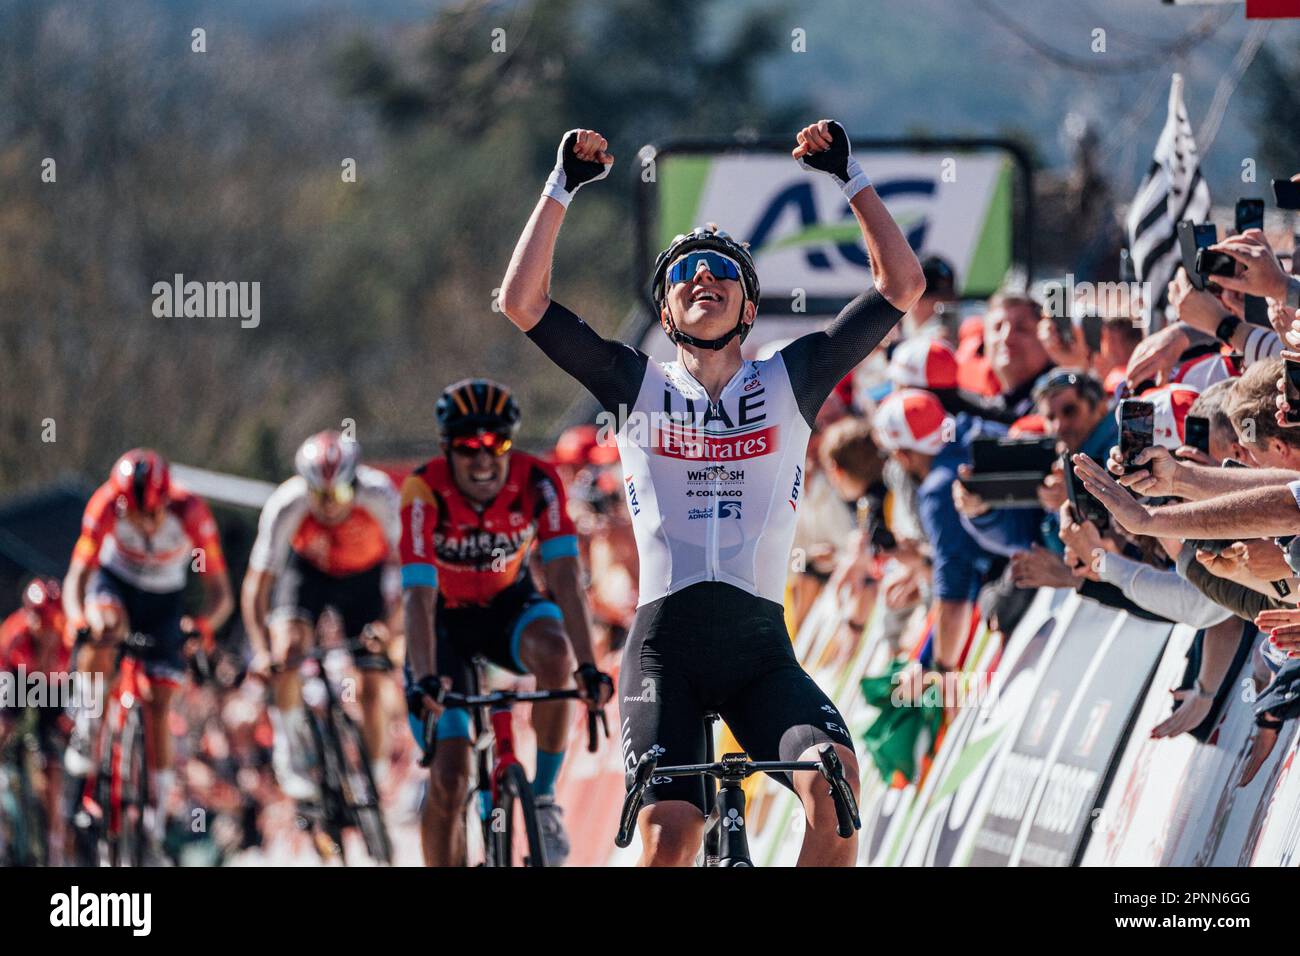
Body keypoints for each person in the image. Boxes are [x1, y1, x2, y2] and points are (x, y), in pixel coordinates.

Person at [500, 119, 924, 866]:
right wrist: (560, 185)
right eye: (686, 270)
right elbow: (522, 303)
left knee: (837, 787)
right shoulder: (635, 384)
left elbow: (902, 287)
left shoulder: (790, 378)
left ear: (748, 308)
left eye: (723, 270)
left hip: (762, 656)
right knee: (673, 833)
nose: (705, 276)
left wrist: (850, 177)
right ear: (665, 311)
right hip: (665, 656)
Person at [401, 378, 611, 867]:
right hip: (443, 624)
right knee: (450, 778)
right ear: (446, 447)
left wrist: (588, 666)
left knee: (557, 654)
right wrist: (426, 678)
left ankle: (541, 799)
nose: (481, 457)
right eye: (467, 444)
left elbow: (563, 577)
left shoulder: (538, 481)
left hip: (507, 609)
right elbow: (417, 595)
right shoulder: (423, 488)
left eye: (494, 441)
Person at [62, 448, 234, 843]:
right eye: (137, 517)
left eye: (154, 515)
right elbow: (77, 576)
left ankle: (155, 811)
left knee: (158, 703)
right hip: (115, 584)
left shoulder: (191, 512)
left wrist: (202, 625)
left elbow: (220, 592)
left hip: (164, 600)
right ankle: (89, 724)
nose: (148, 525)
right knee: (104, 625)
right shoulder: (104, 505)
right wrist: (77, 619)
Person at [242, 430, 401, 802]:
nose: (329, 506)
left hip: (364, 576)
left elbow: (413, 574)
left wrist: (388, 628)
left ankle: (372, 772)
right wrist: (262, 651)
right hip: (308, 572)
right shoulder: (287, 503)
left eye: (339, 495)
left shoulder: (380, 495)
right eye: (319, 496)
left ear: (355, 482)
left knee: (371, 683)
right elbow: (256, 587)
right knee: (288, 652)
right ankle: (292, 749)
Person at [0, 578, 73, 863]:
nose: (35, 622)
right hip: (15, 676)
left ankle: (55, 837)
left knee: (52, 757)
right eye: (31, 614)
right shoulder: (14, 633)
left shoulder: (67, 641)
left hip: (52, 685)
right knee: (4, 725)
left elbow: (74, 693)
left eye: (42, 617)